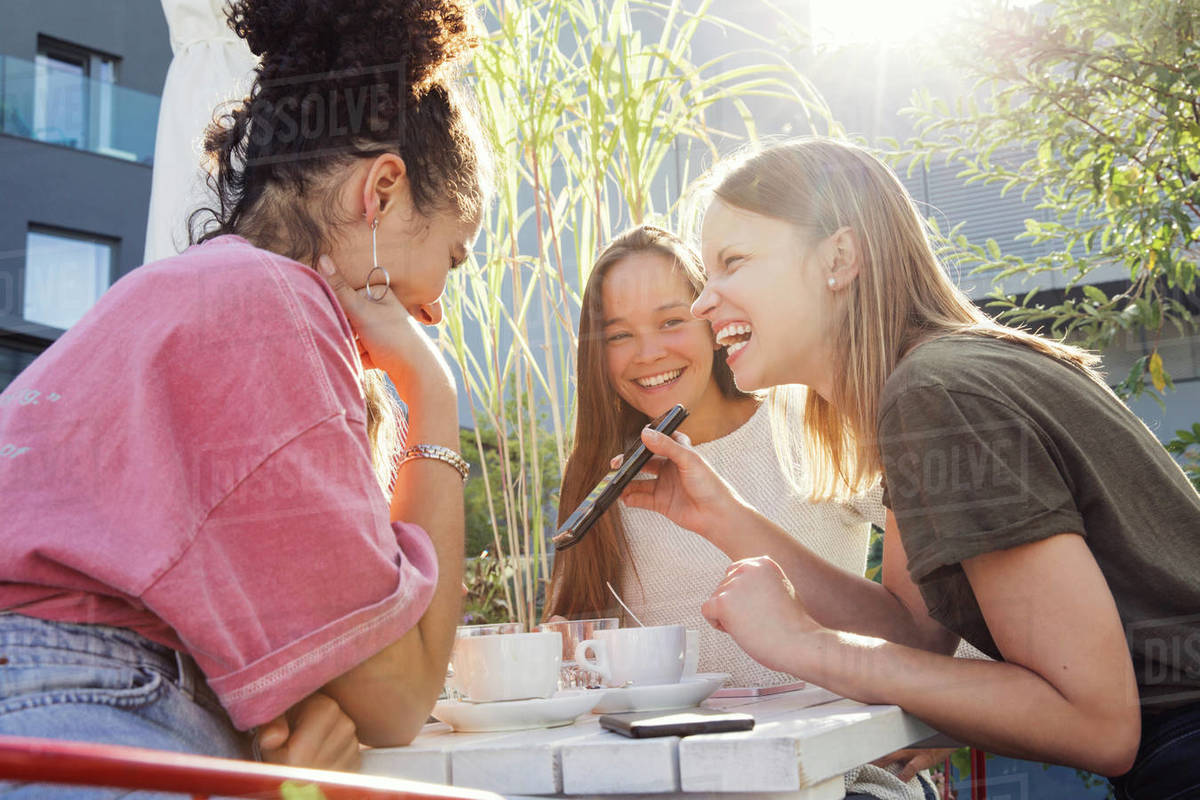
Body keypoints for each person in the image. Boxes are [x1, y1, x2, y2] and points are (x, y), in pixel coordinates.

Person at [0, 0, 490, 781]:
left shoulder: (182, 296)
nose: (434, 309)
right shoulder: (274, 311)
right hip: (72, 711)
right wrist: (432, 389)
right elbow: (400, 699)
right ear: (383, 191)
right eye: (454, 258)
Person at [622, 138, 1200, 799]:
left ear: (839, 258)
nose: (703, 303)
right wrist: (723, 517)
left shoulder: (940, 395)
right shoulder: (936, 378)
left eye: (733, 263)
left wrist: (804, 644)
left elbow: (1096, 724)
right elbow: (914, 636)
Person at [545, 225, 939, 800]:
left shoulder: (812, 424)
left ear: (712, 320)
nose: (648, 352)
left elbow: (965, 593)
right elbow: (584, 641)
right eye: (619, 335)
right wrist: (558, 655)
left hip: (841, 773)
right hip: (673, 782)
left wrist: (947, 723)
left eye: (671, 321)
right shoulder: (605, 478)